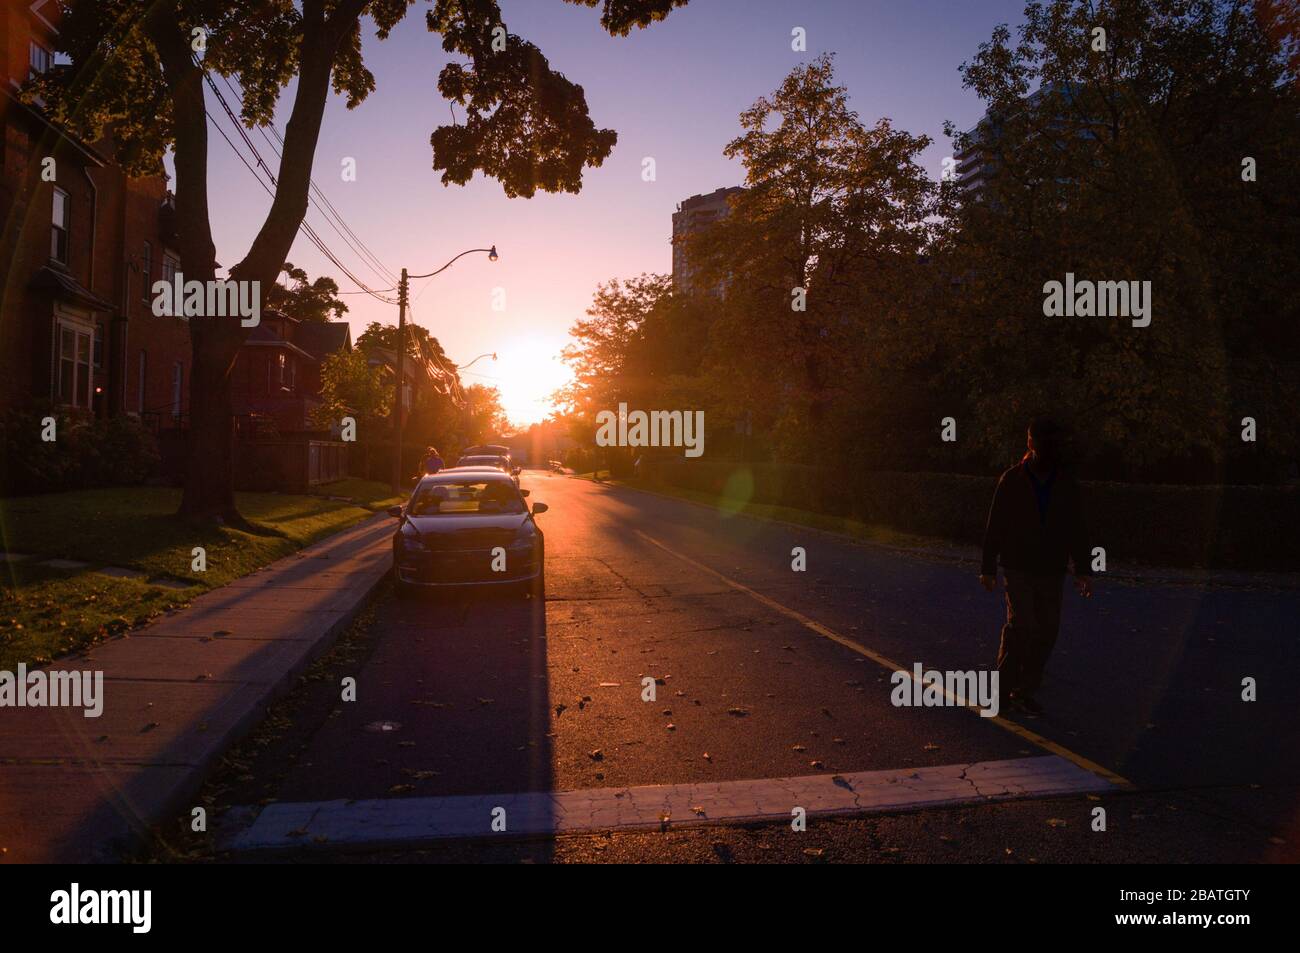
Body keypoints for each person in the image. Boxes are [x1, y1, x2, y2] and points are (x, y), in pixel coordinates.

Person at [979, 417, 1092, 716]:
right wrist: (988, 566)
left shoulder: (1066, 483)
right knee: (1022, 626)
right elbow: (996, 525)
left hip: (1052, 568)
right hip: (1018, 565)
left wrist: (1083, 568)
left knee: (1047, 630)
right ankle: (1001, 691)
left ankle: (1025, 689)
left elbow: (1077, 527)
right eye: (1041, 444)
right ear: (1030, 444)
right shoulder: (1012, 479)